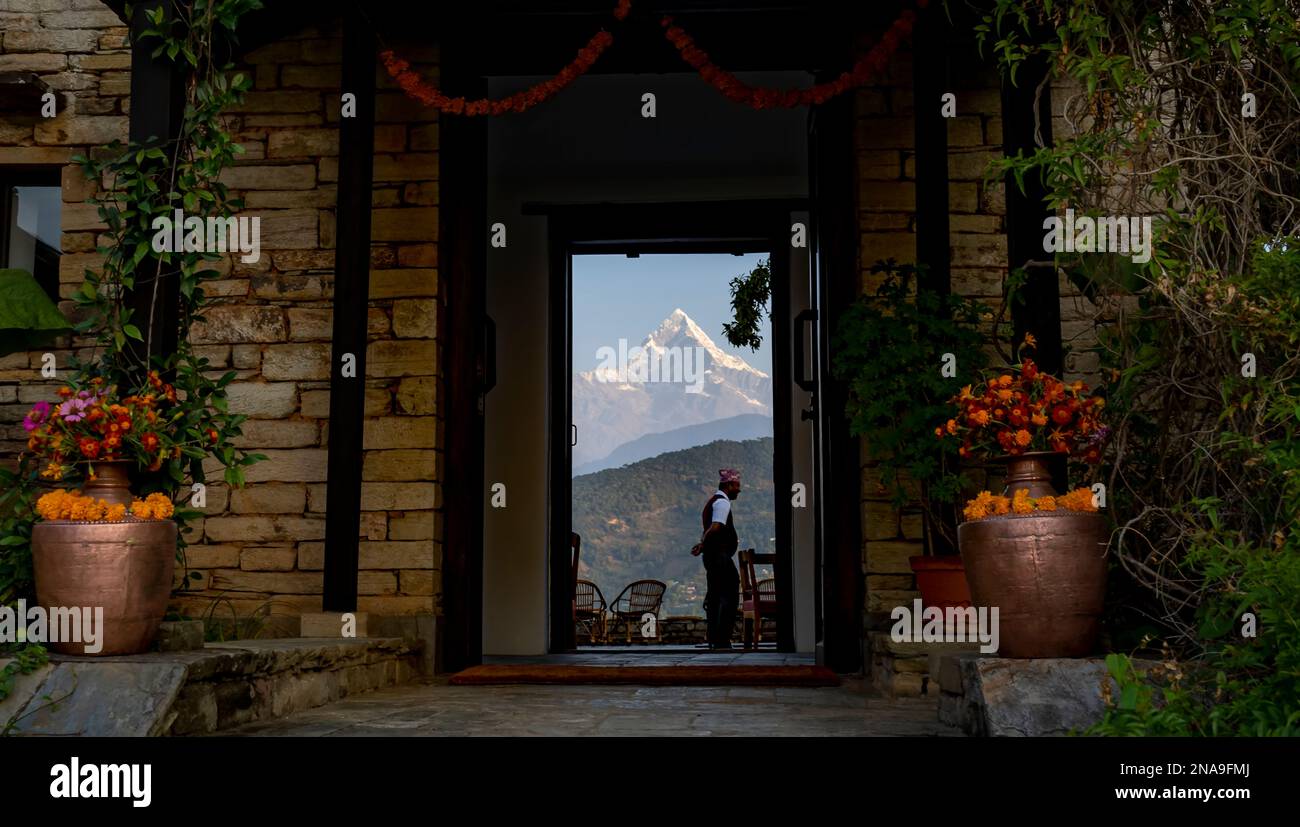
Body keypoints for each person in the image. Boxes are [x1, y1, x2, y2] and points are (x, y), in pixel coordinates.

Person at [691, 468, 741, 650]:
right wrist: (703, 542)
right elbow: (716, 527)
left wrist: (702, 545)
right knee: (730, 595)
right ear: (728, 485)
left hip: (713, 556)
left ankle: (714, 637)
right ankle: (722, 639)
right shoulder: (722, 504)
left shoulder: (714, 501)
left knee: (715, 595)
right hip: (719, 556)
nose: (739, 490)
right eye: (736, 486)